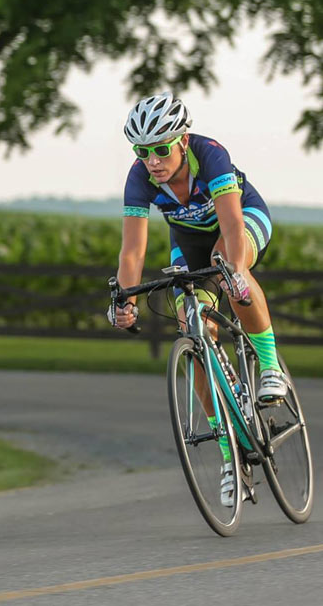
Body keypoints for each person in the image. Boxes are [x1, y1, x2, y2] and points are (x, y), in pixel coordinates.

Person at [110, 91, 285, 506]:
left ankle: (269, 363)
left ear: (182, 141)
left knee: (226, 263)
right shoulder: (139, 178)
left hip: (240, 222)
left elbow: (230, 221)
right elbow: (132, 251)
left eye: (160, 148)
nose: (152, 159)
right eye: (142, 151)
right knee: (192, 323)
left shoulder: (210, 155)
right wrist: (125, 302)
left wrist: (237, 273)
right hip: (188, 241)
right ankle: (231, 459)